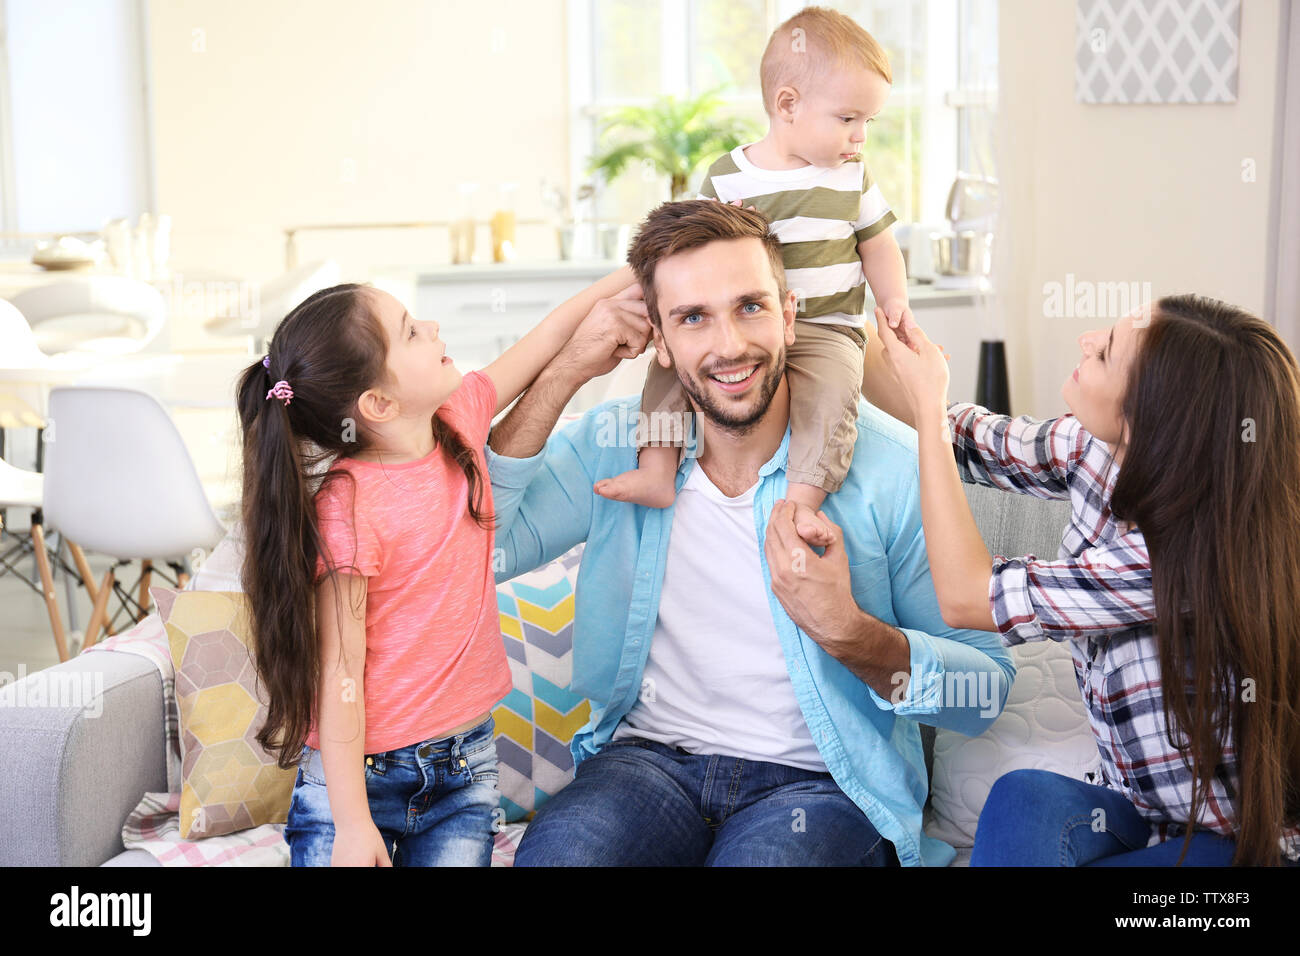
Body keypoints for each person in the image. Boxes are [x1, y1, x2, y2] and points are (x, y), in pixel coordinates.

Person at [486, 199, 1013, 867]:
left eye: (751, 306)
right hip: (646, 766)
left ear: (790, 314)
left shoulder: (892, 467)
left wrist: (851, 634)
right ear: (662, 341)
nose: (730, 345)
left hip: (823, 785)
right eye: (693, 318)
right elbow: (481, 546)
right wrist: (564, 371)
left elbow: (985, 693)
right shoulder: (615, 443)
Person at [234, 266, 643, 866]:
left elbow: (550, 333)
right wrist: (351, 824)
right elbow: (339, 671)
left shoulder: (461, 418)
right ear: (378, 402)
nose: (432, 326)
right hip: (360, 779)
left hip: (465, 766)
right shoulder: (348, 506)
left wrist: (639, 269)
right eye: (410, 331)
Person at [872, 297, 1300, 866]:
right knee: (1022, 800)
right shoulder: (1099, 448)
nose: (1086, 340)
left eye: (1107, 353)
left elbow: (966, 594)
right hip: (1144, 814)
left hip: (1231, 845)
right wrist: (869, 327)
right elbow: (963, 437)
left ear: (1151, 421)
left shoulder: (1171, 557)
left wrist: (926, 408)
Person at [595, 6, 914, 553]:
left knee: (833, 398)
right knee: (668, 374)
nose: (861, 136)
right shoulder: (727, 176)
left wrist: (894, 303)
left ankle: (801, 499)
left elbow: (878, 246)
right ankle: (656, 467)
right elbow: (683, 252)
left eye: (868, 122)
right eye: (847, 118)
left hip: (826, 326)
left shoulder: (853, 179)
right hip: (741, 327)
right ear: (787, 104)